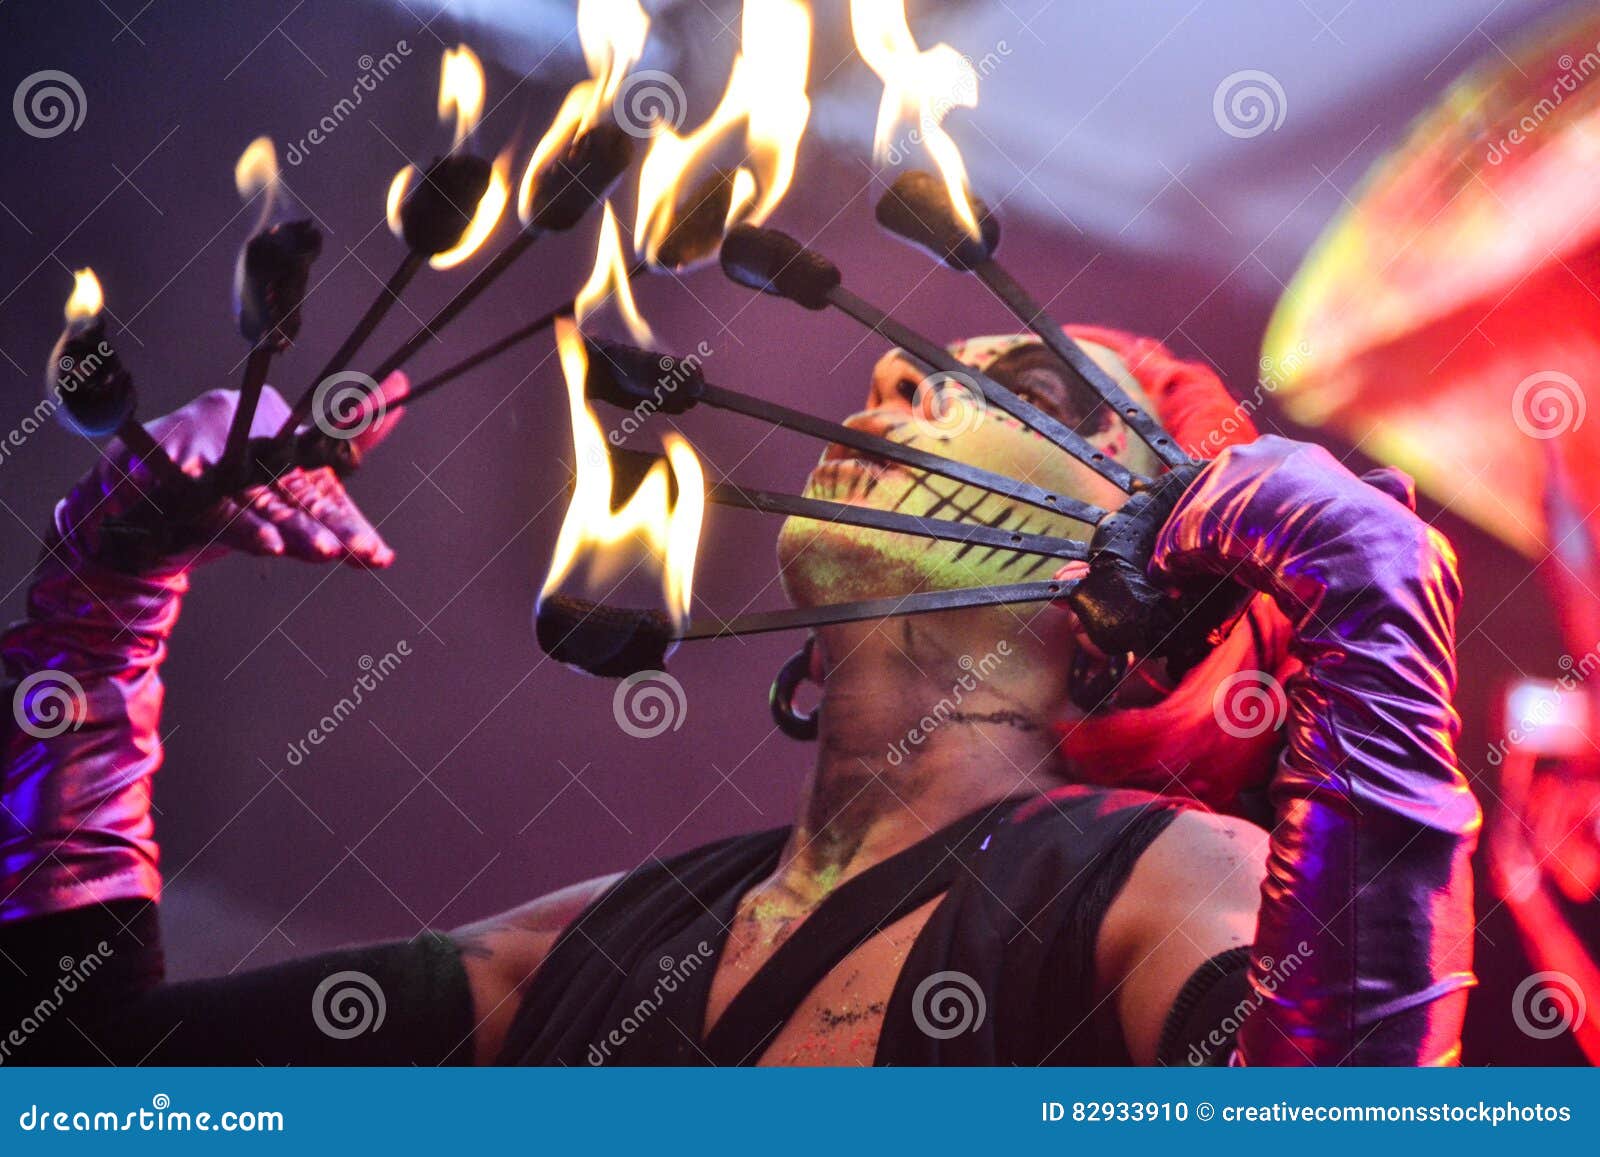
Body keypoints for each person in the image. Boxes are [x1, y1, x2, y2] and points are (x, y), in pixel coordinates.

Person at [0, 327, 1479, 1066]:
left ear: (1145, 587)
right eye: (917, 362)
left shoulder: (1165, 884)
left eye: (1027, 382)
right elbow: (75, 1080)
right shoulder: (607, 941)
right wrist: (100, 605)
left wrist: (1375, 623)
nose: (893, 370)